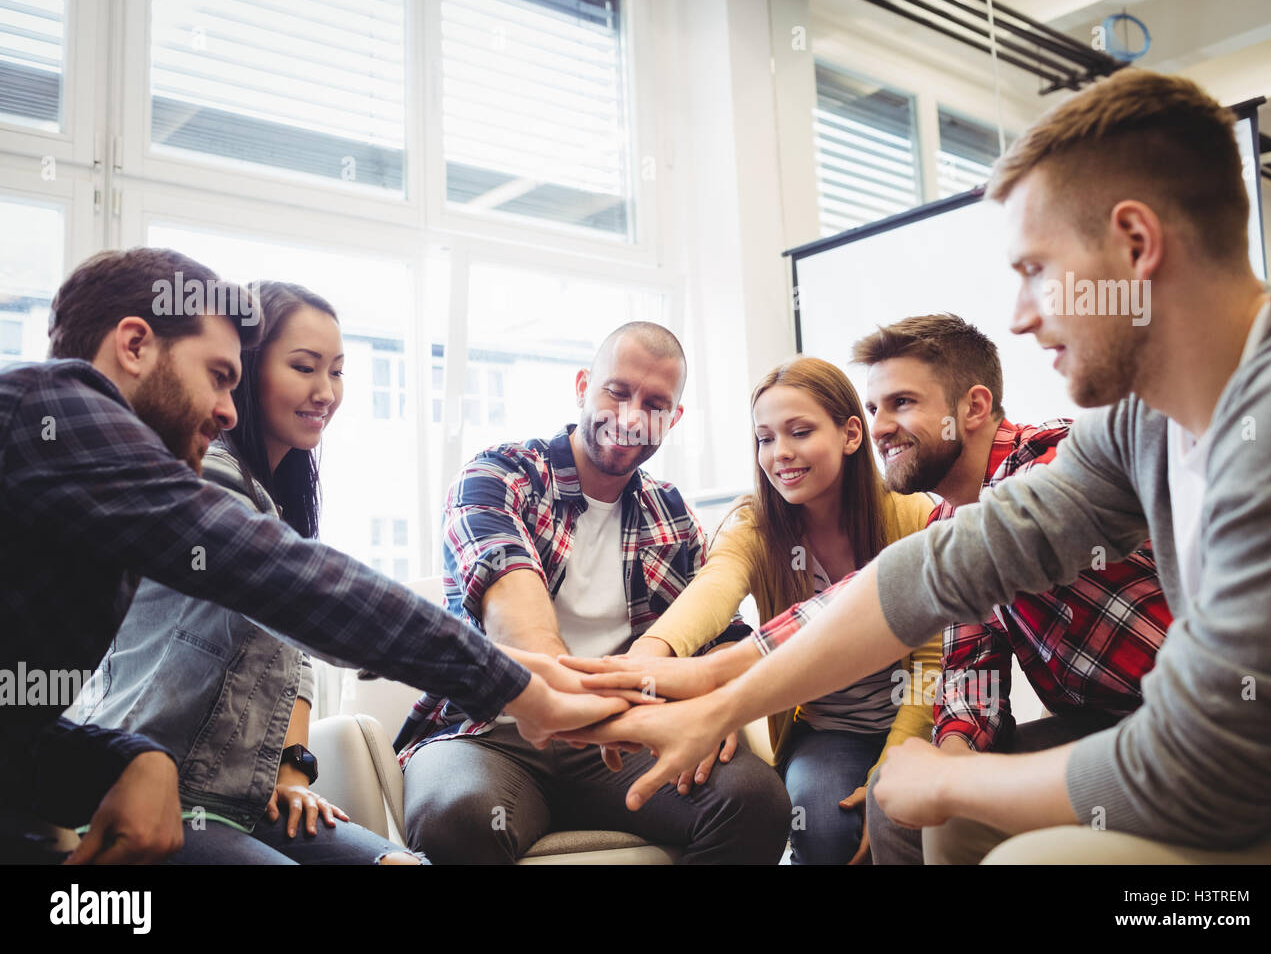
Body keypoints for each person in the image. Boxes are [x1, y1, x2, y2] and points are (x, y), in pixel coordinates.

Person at [558, 68, 1271, 863]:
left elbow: (1210, 763)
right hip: (1177, 747)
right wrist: (713, 687)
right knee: (940, 818)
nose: (1021, 316)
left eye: (1035, 272)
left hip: (1244, 774)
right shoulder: (1135, 429)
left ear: (1136, 244)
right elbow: (931, 579)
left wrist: (944, 780)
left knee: (1014, 850)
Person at [0, 247, 631, 864]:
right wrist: (515, 686)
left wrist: (132, 764)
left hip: (220, 799)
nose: (226, 408)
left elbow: (18, 737)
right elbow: (295, 587)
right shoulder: (52, 411)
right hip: (197, 804)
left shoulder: (103, 499)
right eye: (219, 376)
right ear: (134, 345)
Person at [395, 322, 792, 864]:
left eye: (655, 404)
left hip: (625, 743)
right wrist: (613, 714)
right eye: (617, 391)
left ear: (672, 419)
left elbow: (723, 634)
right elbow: (526, 636)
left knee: (755, 800)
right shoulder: (498, 476)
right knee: (459, 818)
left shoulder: (671, 512)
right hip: (491, 732)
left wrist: (719, 709)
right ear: (583, 386)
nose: (631, 418)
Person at [77, 281, 418, 863]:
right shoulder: (209, 475)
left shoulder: (275, 504)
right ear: (245, 370)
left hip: (242, 797)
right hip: (147, 792)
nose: (325, 392)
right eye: (304, 367)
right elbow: (311, 609)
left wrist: (292, 774)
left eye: (336, 372)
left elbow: (292, 654)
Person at [851, 313, 1169, 863]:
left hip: (1182, 717)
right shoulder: (944, 525)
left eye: (901, 403)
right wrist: (947, 764)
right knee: (897, 807)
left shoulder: (1052, 460)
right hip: (1094, 725)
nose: (878, 426)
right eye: (874, 407)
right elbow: (971, 676)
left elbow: (894, 589)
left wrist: (727, 682)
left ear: (973, 408)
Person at [631, 356, 939, 864]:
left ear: (851, 434)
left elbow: (933, 662)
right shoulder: (756, 527)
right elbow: (713, 590)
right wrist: (651, 653)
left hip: (921, 721)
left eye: (799, 432)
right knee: (823, 825)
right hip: (829, 731)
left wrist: (888, 770)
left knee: (899, 821)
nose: (780, 454)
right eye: (765, 438)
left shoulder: (914, 517)